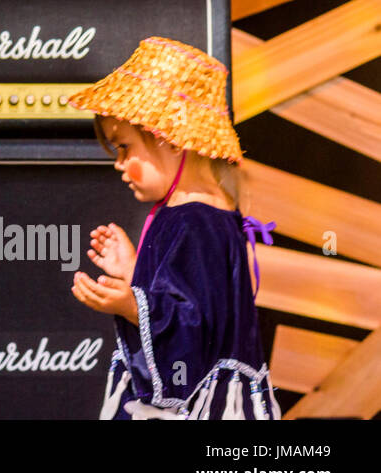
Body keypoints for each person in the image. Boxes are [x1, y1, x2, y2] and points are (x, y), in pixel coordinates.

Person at [66, 37, 280, 420]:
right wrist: (136, 273)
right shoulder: (212, 216)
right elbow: (197, 304)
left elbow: (190, 327)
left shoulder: (191, 220)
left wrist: (132, 305)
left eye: (125, 148)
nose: (119, 164)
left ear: (170, 141)